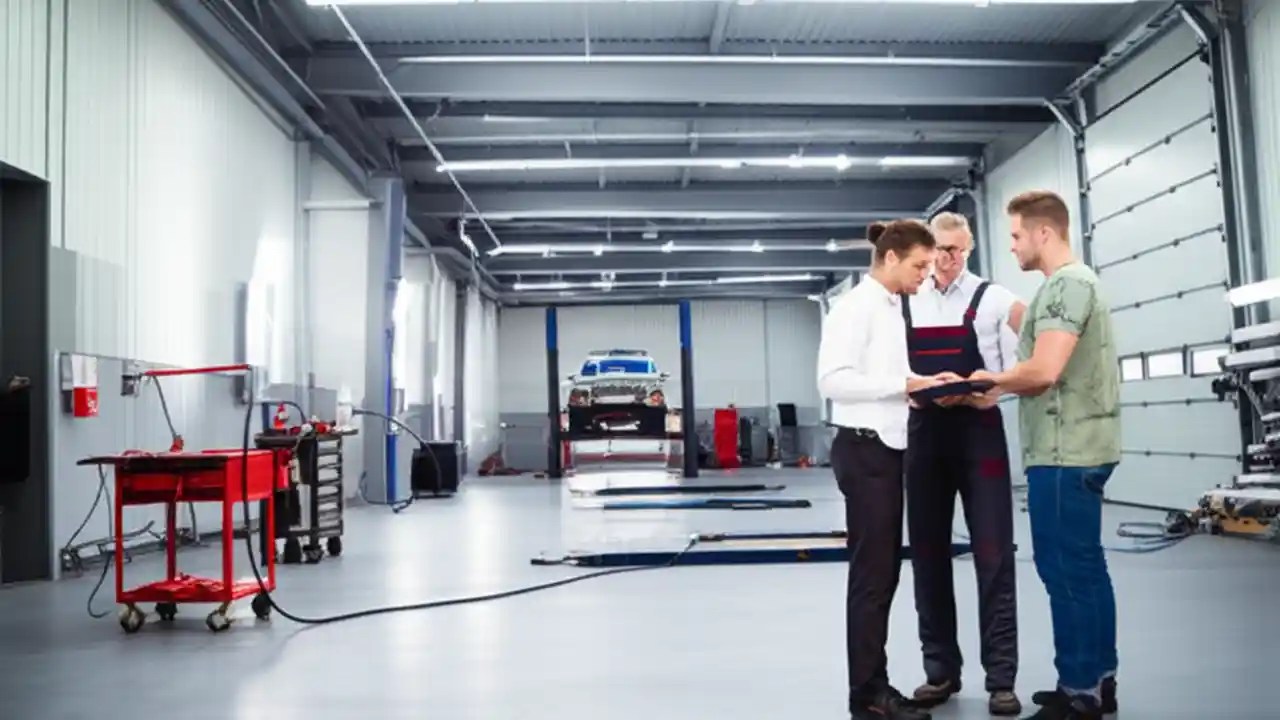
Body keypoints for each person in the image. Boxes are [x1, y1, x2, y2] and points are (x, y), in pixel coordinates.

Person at [968, 190, 1121, 720]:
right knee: (1088, 567)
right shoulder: (1077, 285)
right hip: (1082, 446)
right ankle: (1098, 679)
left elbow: (1045, 370)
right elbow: (1043, 376)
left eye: (1014, 235)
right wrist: (996, 390)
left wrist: (988, 377)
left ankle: (1079, 692)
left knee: (1064, 571)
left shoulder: (1064, 287)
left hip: (1064, 451)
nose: (1011, 246)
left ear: (1043, 233)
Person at [816, 219, 958, 720]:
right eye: (920, 265)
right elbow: (833, 380)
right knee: (873, 578)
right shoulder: (855, 307)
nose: (927, 274)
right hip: (865, 449)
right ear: (891, 258)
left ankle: (873, 685)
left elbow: (884, 374)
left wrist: (921, 382)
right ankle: (868, 695)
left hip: (885, 446)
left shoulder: (892, 305)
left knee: (884, 573)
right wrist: (902, 385)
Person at [901, 212, 1026, 716]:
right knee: (928, 556)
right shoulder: (907, 299)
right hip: (924, 437)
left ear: (969, 249)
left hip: (980, 435)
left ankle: (1001, 679)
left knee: (994, 554)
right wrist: (912, 389)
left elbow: (1030, 359)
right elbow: (891, 366)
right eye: (939, 251)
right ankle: (940, 672)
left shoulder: (995, 298)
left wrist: (995, 389)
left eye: (957, 251)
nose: (947, 261)